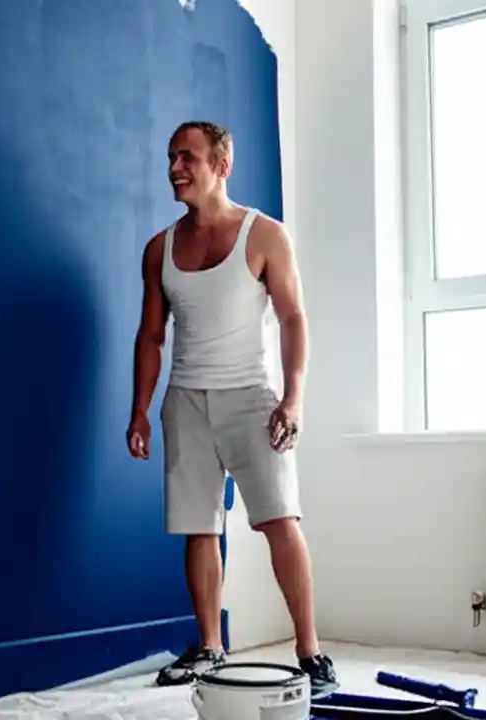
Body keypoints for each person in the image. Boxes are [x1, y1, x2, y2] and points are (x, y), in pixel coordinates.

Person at [127, 121, 339, 696]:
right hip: (186, 403)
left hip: (252, 399)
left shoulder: (265, 234)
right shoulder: (159, 249)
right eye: (171, 156)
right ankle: (210, 648)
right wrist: (140, 411)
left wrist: (293, 398)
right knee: (199, 530)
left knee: (280, 522)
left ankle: (310, 652)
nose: (175, 167)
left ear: (221, 164)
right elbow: (151, 336)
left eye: (187, 156)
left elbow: (294, 318)